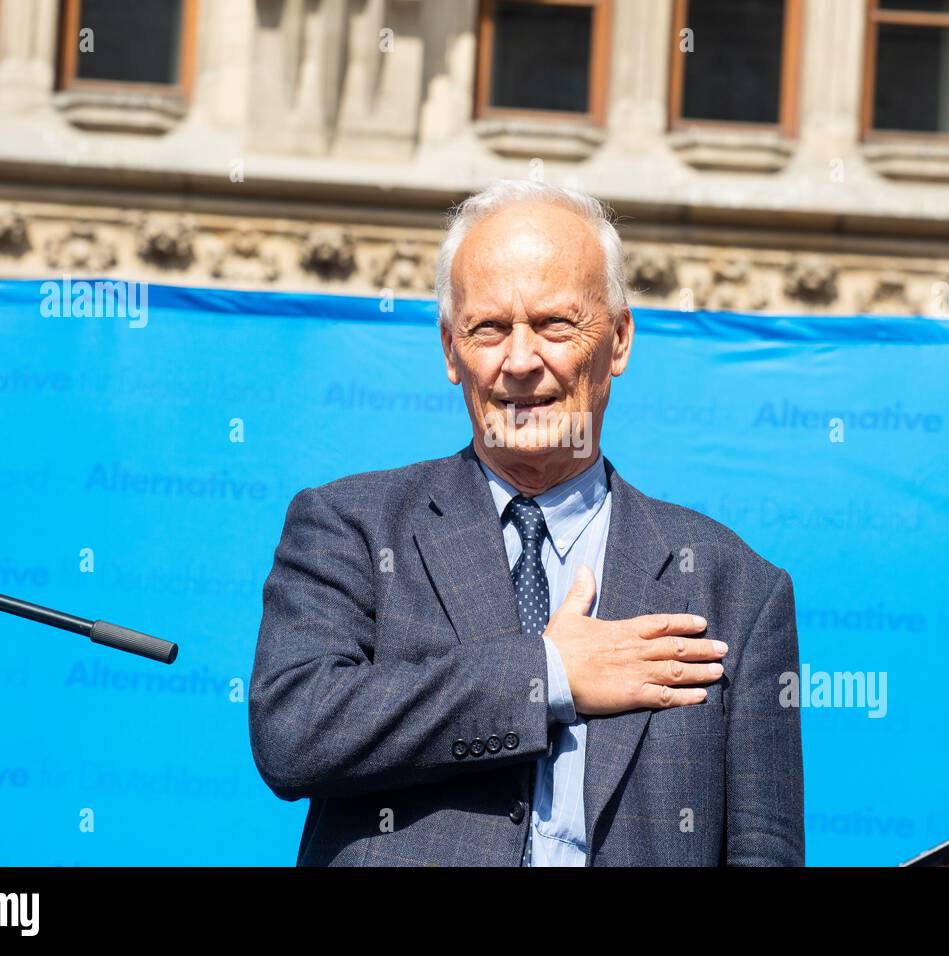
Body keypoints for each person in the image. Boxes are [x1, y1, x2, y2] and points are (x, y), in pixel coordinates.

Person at [249, 179, 804, 866]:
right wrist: (549, 674)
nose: (519, 361)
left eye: (553, 324)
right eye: (488, 329)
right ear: (451, 352)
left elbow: (763, 852)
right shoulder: (350, 528)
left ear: (620, 340)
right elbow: (293, 731)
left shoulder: (737, 590)